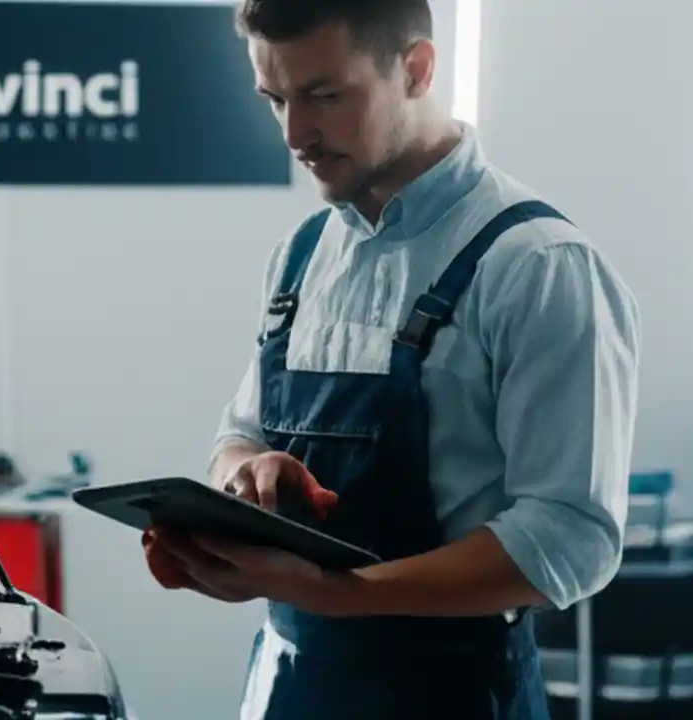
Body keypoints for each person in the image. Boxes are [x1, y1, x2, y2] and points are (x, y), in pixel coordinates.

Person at [141, 0, 641, 717]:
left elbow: (571, 538)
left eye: (323, 95)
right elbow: (237, 431)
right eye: (275, 98)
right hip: (284, 685)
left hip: (454, 694)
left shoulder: (539, 267)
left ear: (416, 68)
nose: (294, 133)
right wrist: (247, 476)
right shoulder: (302, 256)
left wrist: (341, 595)